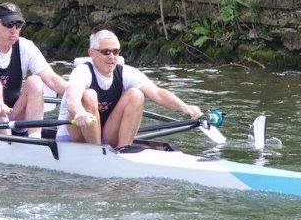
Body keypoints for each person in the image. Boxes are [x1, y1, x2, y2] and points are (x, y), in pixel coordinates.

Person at [58, 29, 203, 150]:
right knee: (89, 95)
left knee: (136, 94)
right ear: (92, 53)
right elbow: (72, 99)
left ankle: (124, 149)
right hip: (74, 134)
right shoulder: (82, 72)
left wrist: (185, 107)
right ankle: (97, 152)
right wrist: (79, 112)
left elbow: (157, 93)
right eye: (106, 52)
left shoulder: (125, 72)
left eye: (116, 52)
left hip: (106, 133)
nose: (112, 57)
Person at [0, 2, 67, 138]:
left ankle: (35, 138)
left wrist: (78, 95)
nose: (14, 30)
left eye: (18, 25)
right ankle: (6, 140)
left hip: (11, 115)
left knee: (35, 81)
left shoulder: (25, 46)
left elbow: (52, 80)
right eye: (9, 24)